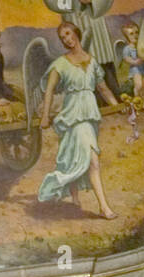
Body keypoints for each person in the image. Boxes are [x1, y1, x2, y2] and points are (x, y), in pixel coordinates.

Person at [38, 20, 119, 219]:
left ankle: (74, 198)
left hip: (90, 114)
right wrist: (45, 115)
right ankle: (103, 207)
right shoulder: (60, 64)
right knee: (92, 160)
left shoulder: (92, 61)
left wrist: (118, 106)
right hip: (73, 114)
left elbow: (103, 88)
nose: (67, 39)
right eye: (62, 37)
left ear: (76, 33)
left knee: (73, 155)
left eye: (68, 33)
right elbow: (48, 90)